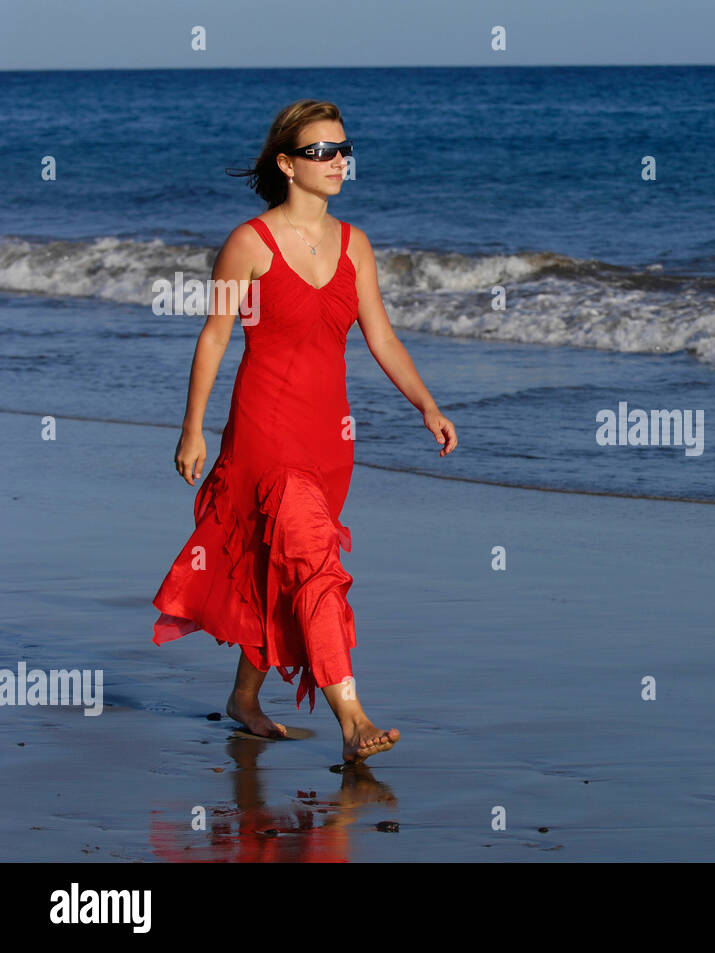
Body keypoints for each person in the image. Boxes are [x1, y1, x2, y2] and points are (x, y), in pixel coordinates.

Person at [152, 99, 456, 764]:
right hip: (266, 428)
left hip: (331, 438)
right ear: (287, 164)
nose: (338, 160)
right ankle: (353, 717)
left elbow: (381, 337)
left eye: (344, 148)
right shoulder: (249, 244)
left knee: (279, 565)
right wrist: (193, 429)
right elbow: (215, 336)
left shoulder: (356, 244)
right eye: (322, 151)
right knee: (315, 562)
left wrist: (427, 405)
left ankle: (244, 698)